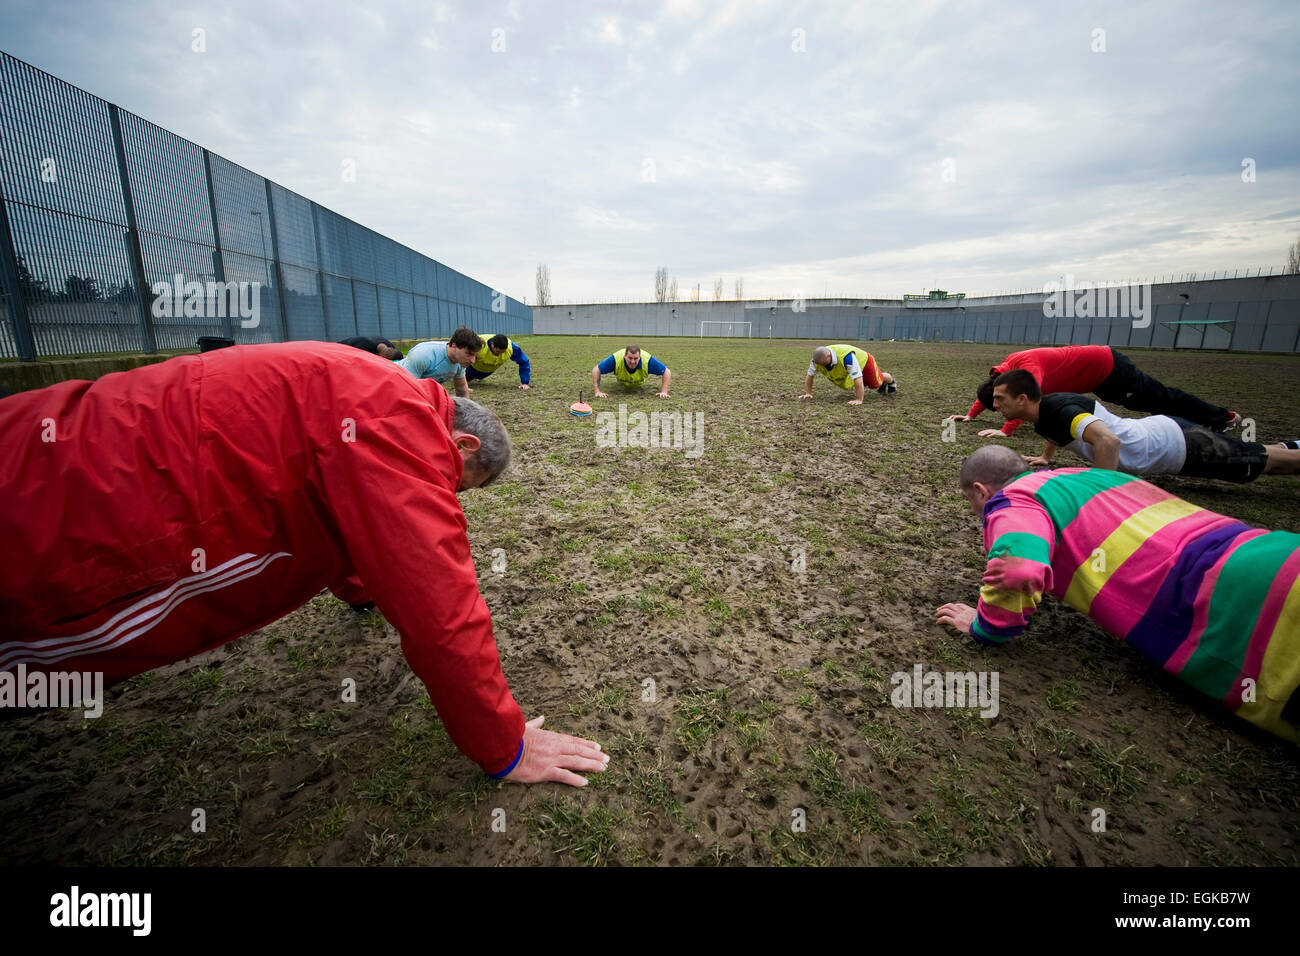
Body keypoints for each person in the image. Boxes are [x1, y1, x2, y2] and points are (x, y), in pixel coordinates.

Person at [0, 342, 608, 787]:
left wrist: (360, 587)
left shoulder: (364, 383)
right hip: (59, 534)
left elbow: (327, 499)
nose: (448, 495)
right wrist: (505, 745)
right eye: (459, 486)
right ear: (463, 444)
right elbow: (440, 607)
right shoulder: (400, 427)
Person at [935, 445, 1300, 744]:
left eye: (973, 504)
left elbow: (1019, 569)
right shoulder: (1088, 475)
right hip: (1272, 552)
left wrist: (986, 626)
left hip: (1248, 600)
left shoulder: (1012, 501)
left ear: (982, 491)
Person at [989, 369, 1300, 483]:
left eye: (1001, 398)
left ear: (1023, 398)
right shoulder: (1044, 415)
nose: (996, 405)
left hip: (1177, 445)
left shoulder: (1059, 409)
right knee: (1253, 452)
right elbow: (1061, 432)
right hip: (1169, 439)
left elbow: (1108, 443)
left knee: (1266, 464)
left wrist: (1101, 492)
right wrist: (1045, 457)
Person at [947, 344, 1240, 437]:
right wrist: (971, 415)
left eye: (999, 404)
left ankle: (1221, 418)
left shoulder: (1028, 369)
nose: (998, 407)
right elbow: (992, 392)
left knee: (1160, 399)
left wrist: (1006, 430)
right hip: (1097, 380)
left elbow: (1029, 400)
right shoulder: (1005, 373)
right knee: (1150, 404)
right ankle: (1205, 424)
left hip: (1109, 368)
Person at [397, 327, 483, 396]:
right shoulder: (422, 355)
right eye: (469, 354)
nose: (473, 360)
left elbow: (461, 388)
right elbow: (406, 391)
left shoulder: (460, 360)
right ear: (454, 346)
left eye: (475, 355)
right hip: (395, 379)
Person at [800, 345, 896, 405]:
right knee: (862, 383)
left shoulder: (847, 357)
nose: (823, 367)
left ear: (829, 355)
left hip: (865, 361)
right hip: (850, 367)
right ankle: (882, 380)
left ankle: (891, 381)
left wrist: (859, 399)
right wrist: (808, 393)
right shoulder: (816, 361)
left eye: (825, 364)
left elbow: (857, 377)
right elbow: (810, 376)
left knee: (875, 383)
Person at [592, 344, 670, 398]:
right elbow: (596, 370)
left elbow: (666, 372)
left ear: (640, 357)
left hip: (639, 383)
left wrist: (664, 392)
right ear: (625, 356)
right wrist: (597, 391)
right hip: (622, 382)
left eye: (636, 358)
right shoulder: (616, 359)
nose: (633, 361)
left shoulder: (648, 360)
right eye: (630, 358)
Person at [466, 333, 531, 390]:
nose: (499, 355)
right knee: (462, 379)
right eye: (497, 352)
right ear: (492, 344)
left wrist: (525, 382)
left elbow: (524, 362)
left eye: (502, 352)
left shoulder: (512, 348)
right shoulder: (479, 343)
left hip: (487, 372)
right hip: (471, 368)